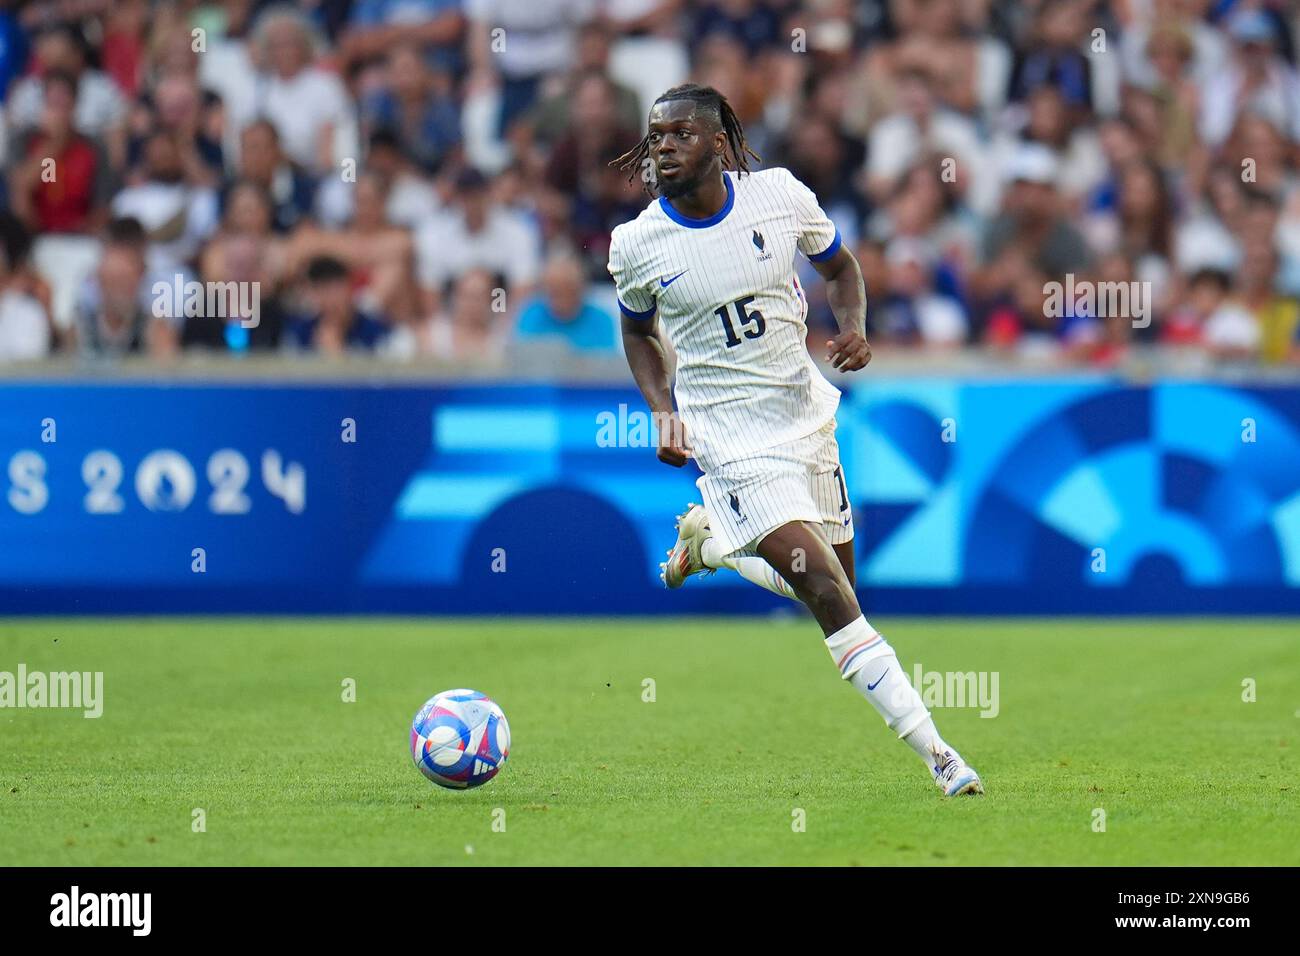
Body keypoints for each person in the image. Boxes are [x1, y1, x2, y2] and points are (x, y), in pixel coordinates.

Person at [606, 84, 983, 797]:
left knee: (838, 586)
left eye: (681, 134)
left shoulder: (778, 196)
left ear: (719, 143)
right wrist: (662, 411)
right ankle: (940, 755)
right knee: (822, 588)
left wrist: (856, 326)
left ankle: (712, 544)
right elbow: (636, 331)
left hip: (805, 415)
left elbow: (839, 267)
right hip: (726, 435)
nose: (663, 148)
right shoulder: (636, 243)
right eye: (656, 136)